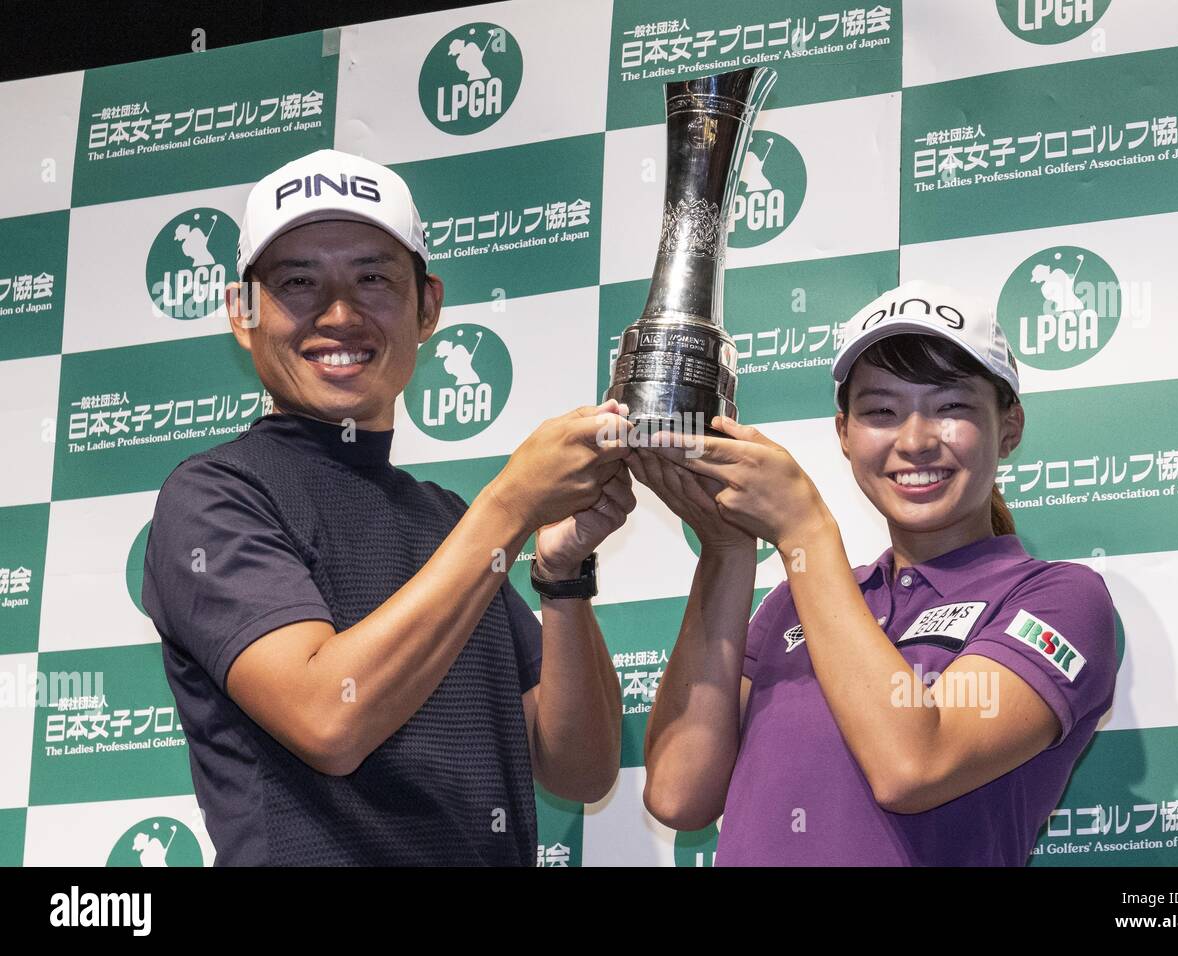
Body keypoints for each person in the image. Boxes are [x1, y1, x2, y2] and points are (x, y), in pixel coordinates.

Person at [142, 148, 631, 866]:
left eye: (372, 278)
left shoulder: (450, 523)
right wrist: (510, 505)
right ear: (242, 315)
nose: (339, 314)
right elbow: (326, 718)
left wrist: (561, 578)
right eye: (298, 283)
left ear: (427, 306)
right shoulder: (216, 496)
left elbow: (579, 769)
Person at [633, 279, 1119, 865]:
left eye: (952, 407)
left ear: (1009, 426)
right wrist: (726, 551)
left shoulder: (1056, 598)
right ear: (843, 433)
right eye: (881, 411)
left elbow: (913, 765)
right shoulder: (794, 602)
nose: (915, 441)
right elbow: (678, 794)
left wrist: (805, 531)